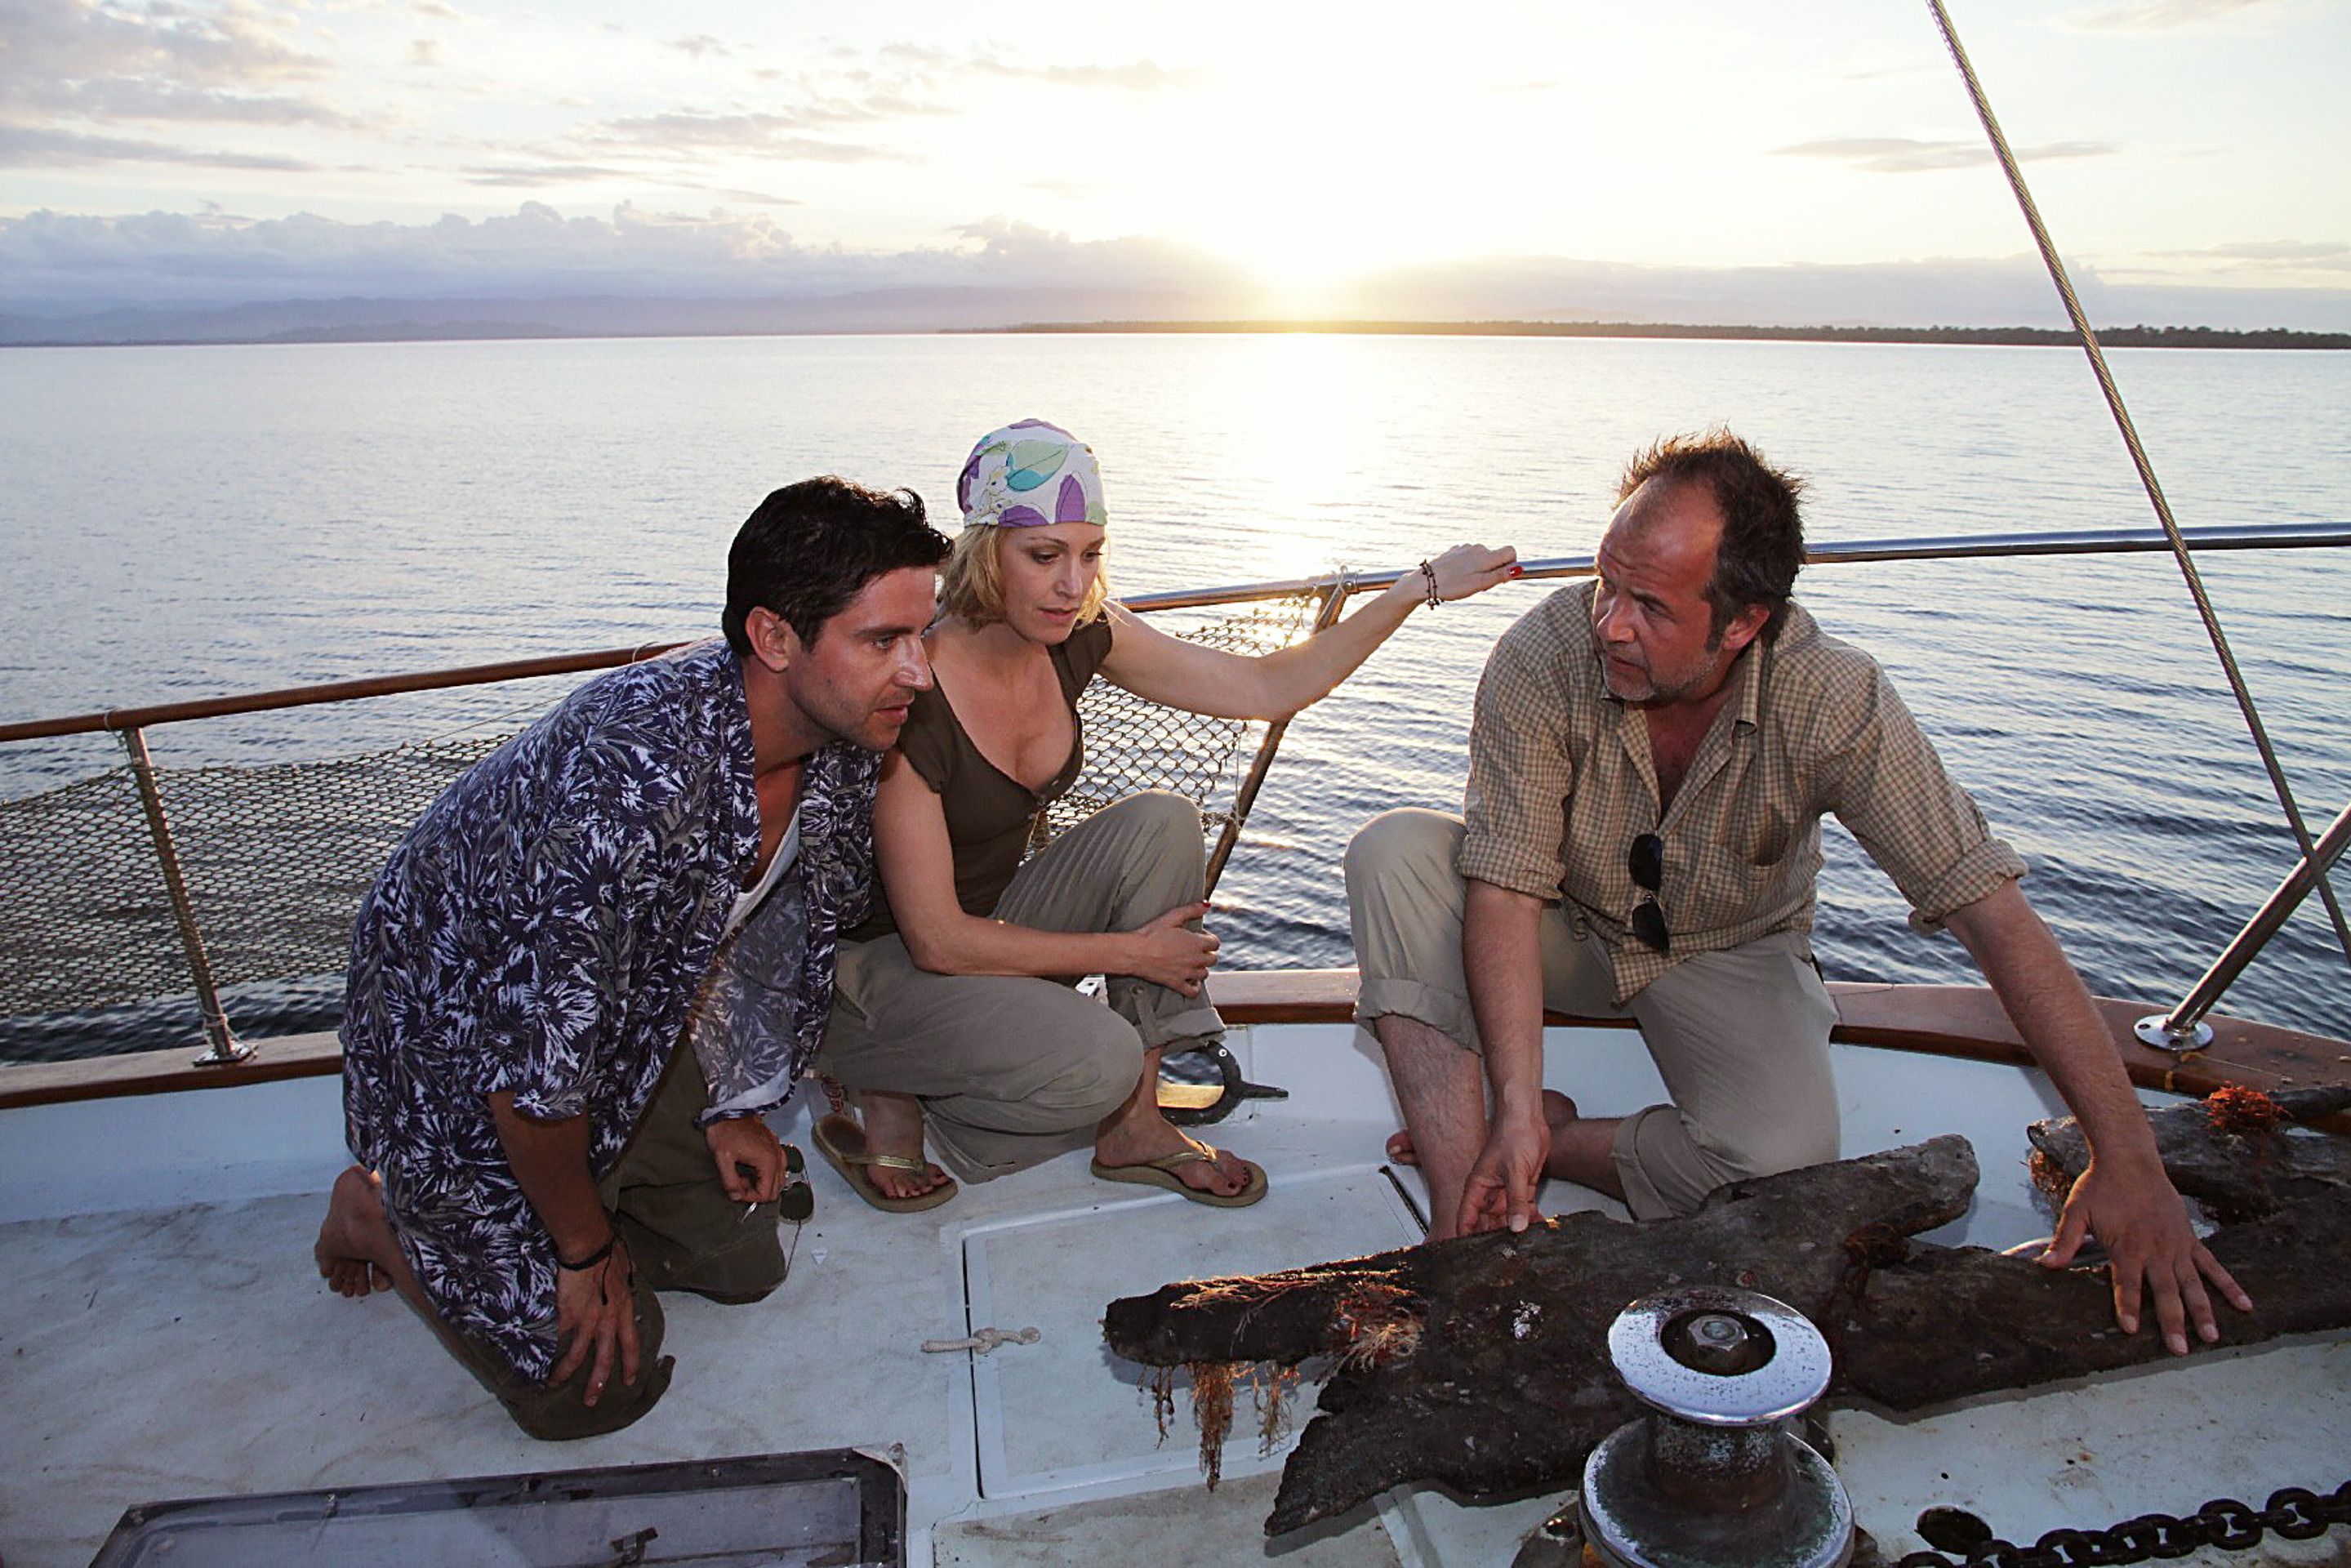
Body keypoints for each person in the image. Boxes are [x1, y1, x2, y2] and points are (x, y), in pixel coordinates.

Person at [1347, 430, 2251, 1356]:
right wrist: (1507, 1098)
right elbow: (1503, 891)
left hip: (1724, 945)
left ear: (1741, 622)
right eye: (1604, 583)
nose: (1609, 623)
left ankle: (1561, 1140)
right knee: (1395, 853)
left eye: (1649, 606)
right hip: (1560, 925)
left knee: (1777, 1164)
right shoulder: (1545, 653)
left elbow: (1986, 905)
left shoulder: (1830, 698)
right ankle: (1469, 1232)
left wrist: (2126, 1155)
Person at [311, 476, 951, 1438]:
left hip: (606, 1021)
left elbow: (744, 924)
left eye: (922, 636)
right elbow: (530, 1084)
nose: (920, 674)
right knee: (589, 1387)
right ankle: (381, 1213)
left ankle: (585, 1202)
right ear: (774, 640)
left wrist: (732, 1097)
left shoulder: (843, 730)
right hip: (459, 1040)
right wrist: (579, 1250)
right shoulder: (618, 804)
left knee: (745, 1263)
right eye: (881, 642)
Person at [812, 419, 1520, 1210]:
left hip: (988, 930)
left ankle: (1133, 1128)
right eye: (1043, 555)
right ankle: (892, 1085)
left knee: (1162, 822)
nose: (1070, 583)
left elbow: (1264, 689)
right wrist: (1131, 953)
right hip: (875, 971)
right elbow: (935, 940)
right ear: (983, 552)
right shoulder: (913, 689)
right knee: (1096, 1059)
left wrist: (1412, 588)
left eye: (1089, 553)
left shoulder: (1077, 635)